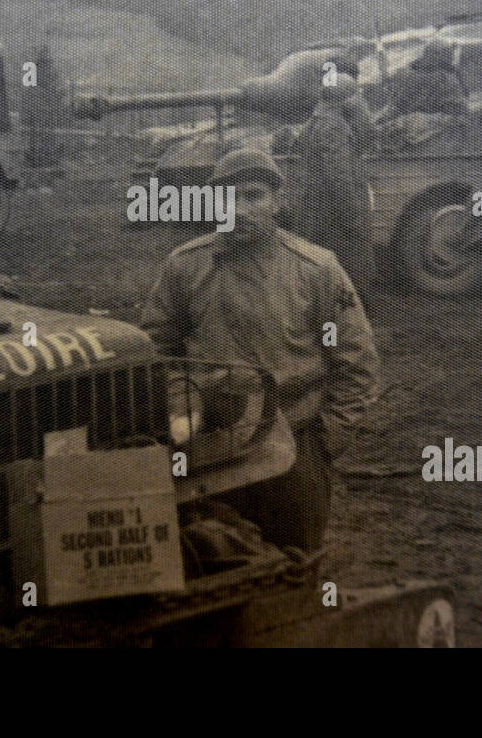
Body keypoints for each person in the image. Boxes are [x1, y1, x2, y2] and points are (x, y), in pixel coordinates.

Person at [139, 147, 379, 554]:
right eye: (229, 197)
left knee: (296, 564)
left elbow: (356, 365)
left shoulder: (316, 268)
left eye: (254, 196)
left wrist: (325, 440)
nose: (241, 209)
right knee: (212, 560)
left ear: (276, 202)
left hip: (294, 444)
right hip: (210, 449)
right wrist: (184, 413)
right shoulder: (186, 267)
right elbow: (156, 352)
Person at [292, 70, 378, 294]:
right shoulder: (334, 126)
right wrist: (353, 216)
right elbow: (339, 176)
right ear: (346, 100)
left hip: (319, 208)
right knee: (351, 265)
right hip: (334, 211)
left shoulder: (317, 119)